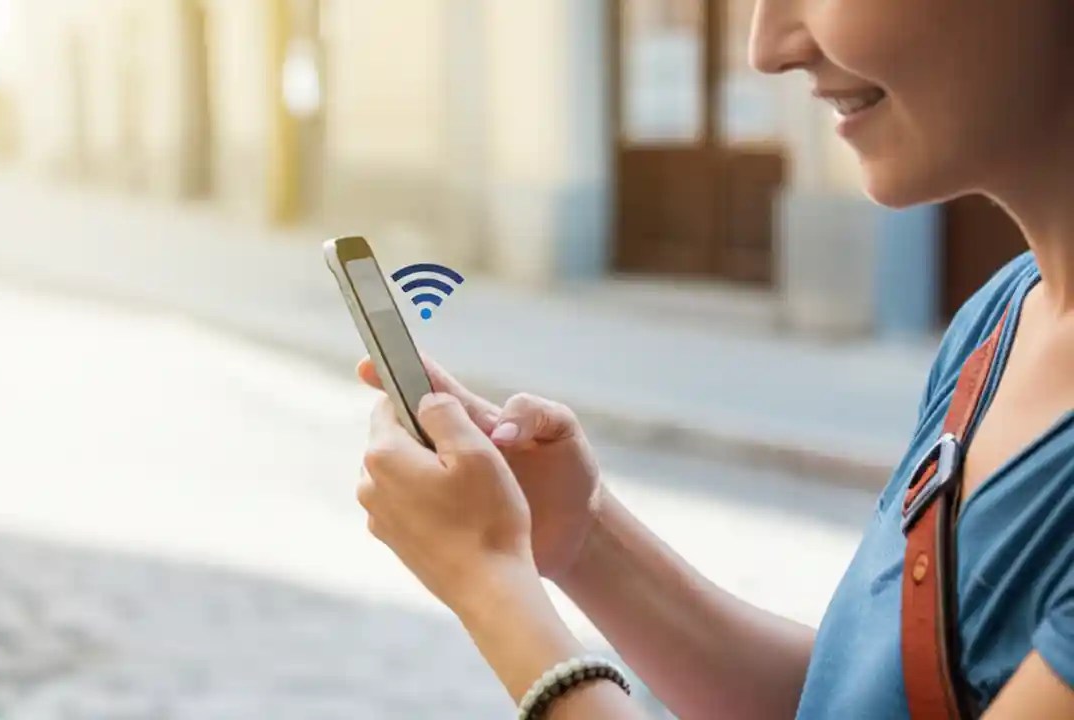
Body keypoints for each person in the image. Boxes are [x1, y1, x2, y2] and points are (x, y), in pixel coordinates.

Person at [353, 0, 1074, 717]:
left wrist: (493, 589)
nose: (767, 48)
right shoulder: (1004, 317)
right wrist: (583, 537)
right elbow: (856, 703)